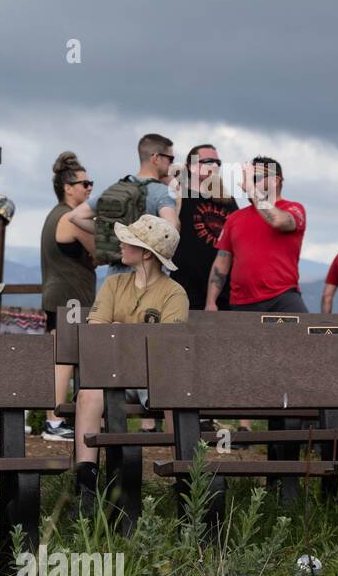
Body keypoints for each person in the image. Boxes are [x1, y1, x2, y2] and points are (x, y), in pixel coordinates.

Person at [72, 215, 189, 511]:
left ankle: (185, 485)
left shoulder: (174, 293)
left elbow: (167, 348)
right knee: (88, 395)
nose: (122, 245)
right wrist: (137, 340)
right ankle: (85, 487)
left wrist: (119, 333)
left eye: (129, 242)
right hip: (114, 373)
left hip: (155, 377)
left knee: (176, 398)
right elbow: (97, 333)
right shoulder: (113, 284)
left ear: (147, 253)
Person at [39, 151, 97, 443]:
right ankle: (55, 421)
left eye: (91, 183)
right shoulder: (70, 219)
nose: (89, 188)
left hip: (59, 295)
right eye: (84, 183)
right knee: (64, 359)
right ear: (68, 187)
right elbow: (100, 252)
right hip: (69, 297)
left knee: (64, 358)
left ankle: (57, 419)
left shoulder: (54, 215)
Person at [205, 157, 307, 313]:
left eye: (256, 177)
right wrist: (211, 302)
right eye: (249, 178)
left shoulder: (293, 208)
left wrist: (252, 190)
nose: (249, 182)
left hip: (282, 297)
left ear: (276, 180)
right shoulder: (235, 218)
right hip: (241, 303)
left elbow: (278, 221)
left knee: (306, 335)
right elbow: (221, 262)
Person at [68, 133, 179, 275]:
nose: (172, 165)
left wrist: (112, 231)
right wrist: (176, 193)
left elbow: (75, 216)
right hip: (147, 277)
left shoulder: (116, 188)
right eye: (170, 159)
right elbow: (172, 228)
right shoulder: (162, 192)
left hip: (115, 276)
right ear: (156, 158)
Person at [171, 144, 238, 310]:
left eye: (218, 163)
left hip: (222, 290)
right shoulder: (178, 196)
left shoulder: (228, 201)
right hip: (184, 287)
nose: (214, 166)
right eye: (208, 161)